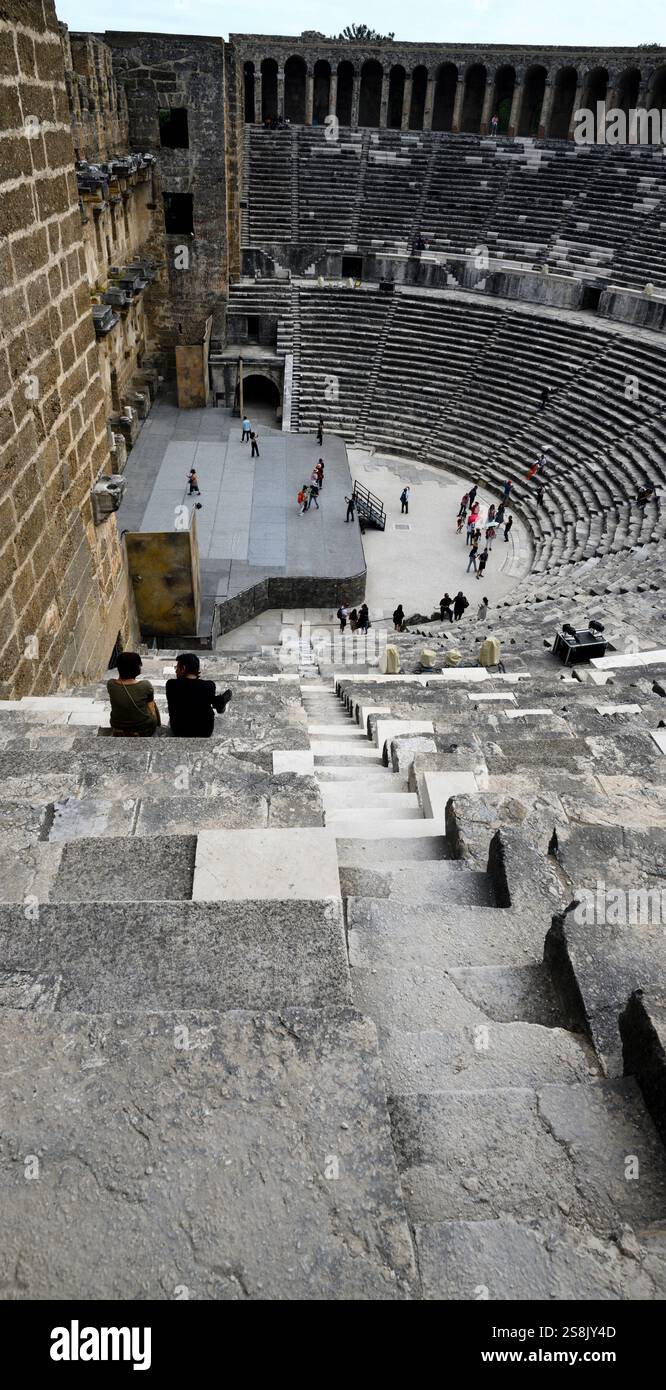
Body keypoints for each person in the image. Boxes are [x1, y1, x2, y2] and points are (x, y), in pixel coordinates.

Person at [166, 653, 232, 738]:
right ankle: (220, 702)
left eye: (177, 668)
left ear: (183, 668)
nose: (176, 671)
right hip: (204, 731)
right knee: (209, 700)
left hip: (179, 730)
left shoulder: (171, 685)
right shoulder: (209, 685)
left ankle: (220, 702)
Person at [107, 651, 160, 738]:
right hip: (143, 730)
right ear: (136, 668)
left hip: (118, 727)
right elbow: (151, 709)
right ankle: (158, 726)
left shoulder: (111, 684)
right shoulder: (145, 685)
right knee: (152, 703)